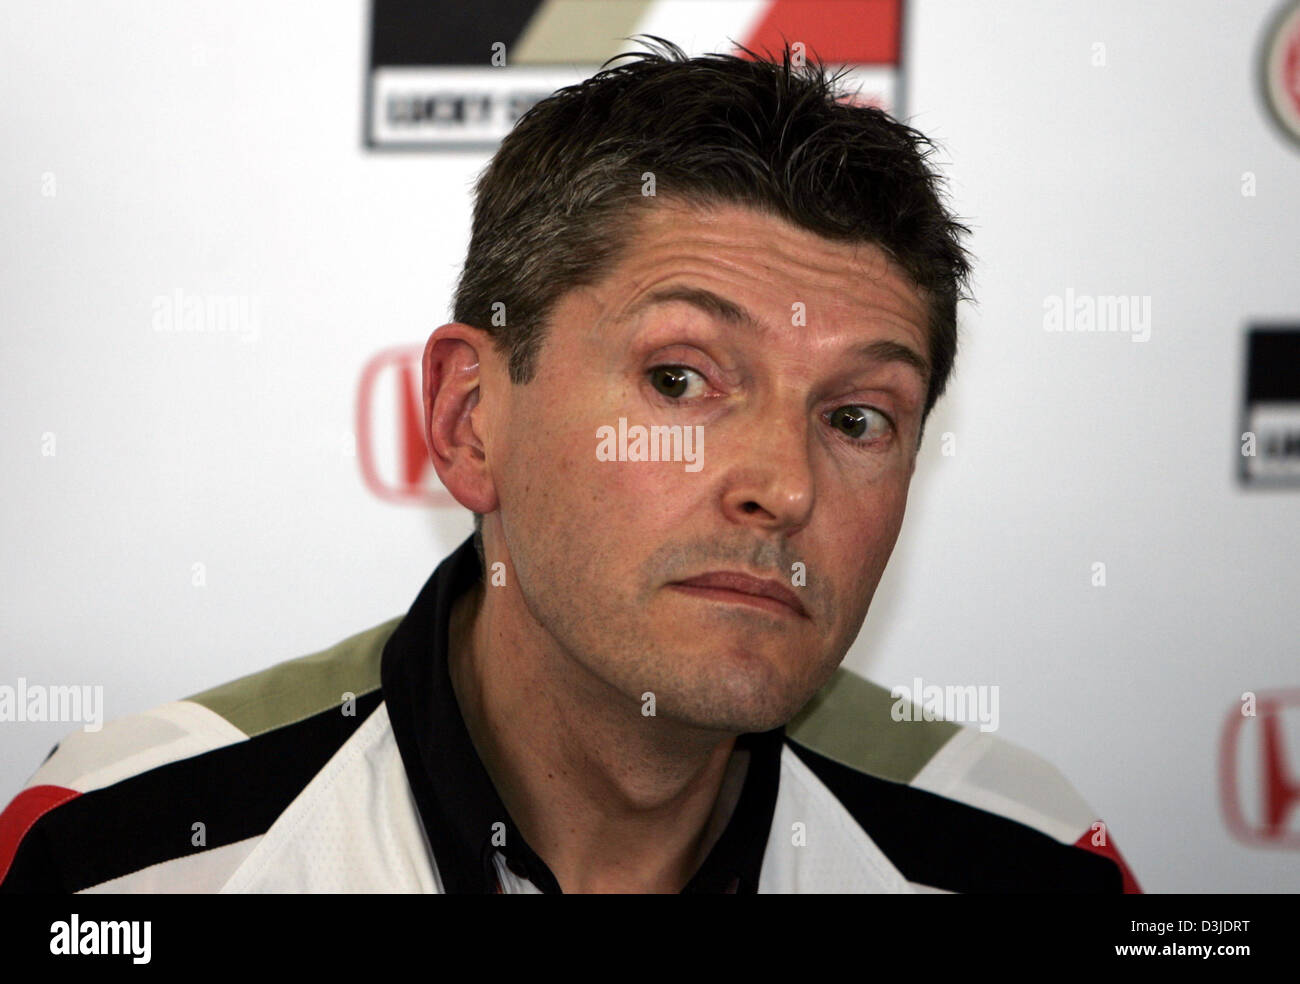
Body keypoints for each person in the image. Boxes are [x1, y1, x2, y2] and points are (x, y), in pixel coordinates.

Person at [0, 37, 1140, 893]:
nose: (783, 489)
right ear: (468, 420)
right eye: (680, 380)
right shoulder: (119, 857)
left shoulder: (1031, 868)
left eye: (855, 418)